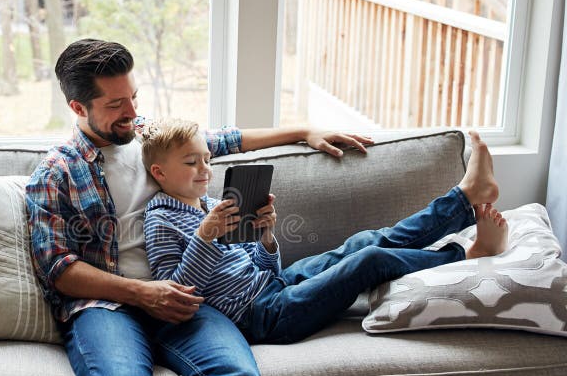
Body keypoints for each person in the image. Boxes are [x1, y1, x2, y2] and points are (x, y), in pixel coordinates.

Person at [25, 38, 374, 376]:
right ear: (78, 107)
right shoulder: (55, 173)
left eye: (134, 96)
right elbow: (57, 267)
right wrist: (142, 292)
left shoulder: (151, 137)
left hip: (191, 296)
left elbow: (226, 139)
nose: (131, 111)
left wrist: (303, 131)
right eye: (116, 104)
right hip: (109, 306)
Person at [142, 118, 508, 345]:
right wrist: (205, 237)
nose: (205, 170)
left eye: (207, 159)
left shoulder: (208, 202)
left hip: (275, 284)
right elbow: (175, 297)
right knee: (370, 260)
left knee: (364, 242)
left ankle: (464, 198)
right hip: (264, 317)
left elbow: (262, 269)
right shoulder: (161, 220)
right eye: (192, 163)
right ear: (159, 173)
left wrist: (266, 238)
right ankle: (468, 254)